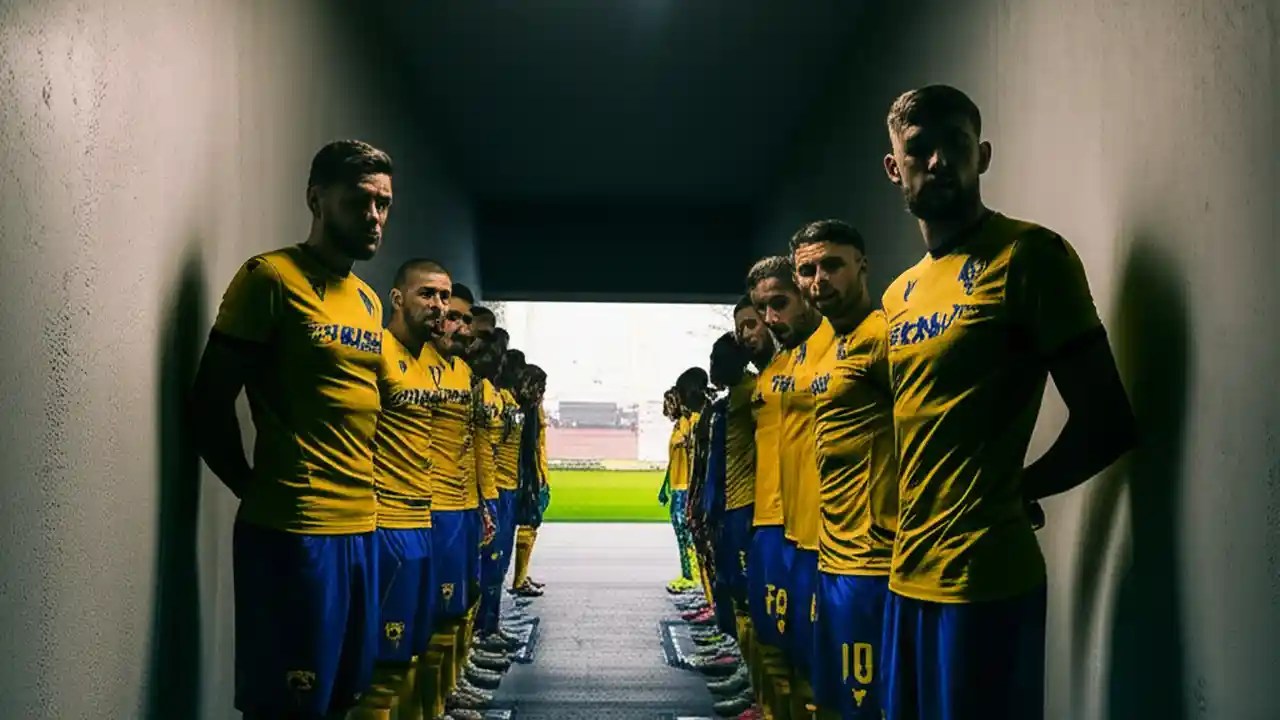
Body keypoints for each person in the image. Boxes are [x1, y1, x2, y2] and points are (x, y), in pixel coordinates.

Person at [878, 85, 1137, 719]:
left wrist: (1021, 489)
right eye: (919, 148)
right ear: (894, 167)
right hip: (904, 576)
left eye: (956, 144)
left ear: (983, 155)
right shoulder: (898, 294)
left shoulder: (1030, 256)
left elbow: (1108, 422)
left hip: (984, 581)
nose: (938, 161)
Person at [191, 140, 392, 719]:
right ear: (316, 200)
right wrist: (253, 486)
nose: (374, 217)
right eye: (359, 201)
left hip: (362, 528)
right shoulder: (270, 278)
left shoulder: (368, 302)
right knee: (289, 708)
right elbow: (208, 403)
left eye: (383, 204)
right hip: (294, 533)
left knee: (344, 699)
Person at [791, 220, 898, 720]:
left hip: (872, 561)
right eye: (807, 270)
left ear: (862, 266)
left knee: (866, 708)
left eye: (832, 265)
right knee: (831, 702)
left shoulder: (883, 337)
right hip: (831, 554)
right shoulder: (829, 344)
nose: (819, 280)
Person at [751, 253, 837, 718]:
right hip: (788, 529)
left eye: (779, 303)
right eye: (761, 310)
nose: (769, 319)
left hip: (838, 542)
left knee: (831, 683)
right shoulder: (786, 361)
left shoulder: (845, 345)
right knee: (788, 653)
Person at [512, 364, 550, 596]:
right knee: (529, 522)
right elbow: (530, 446)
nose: (542, 392)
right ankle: (519, 580)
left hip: (532, 470)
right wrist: (534, 476)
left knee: (531, 522)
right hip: (527, 472)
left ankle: (522, 576)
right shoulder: (527, 411)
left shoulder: (532, 409)